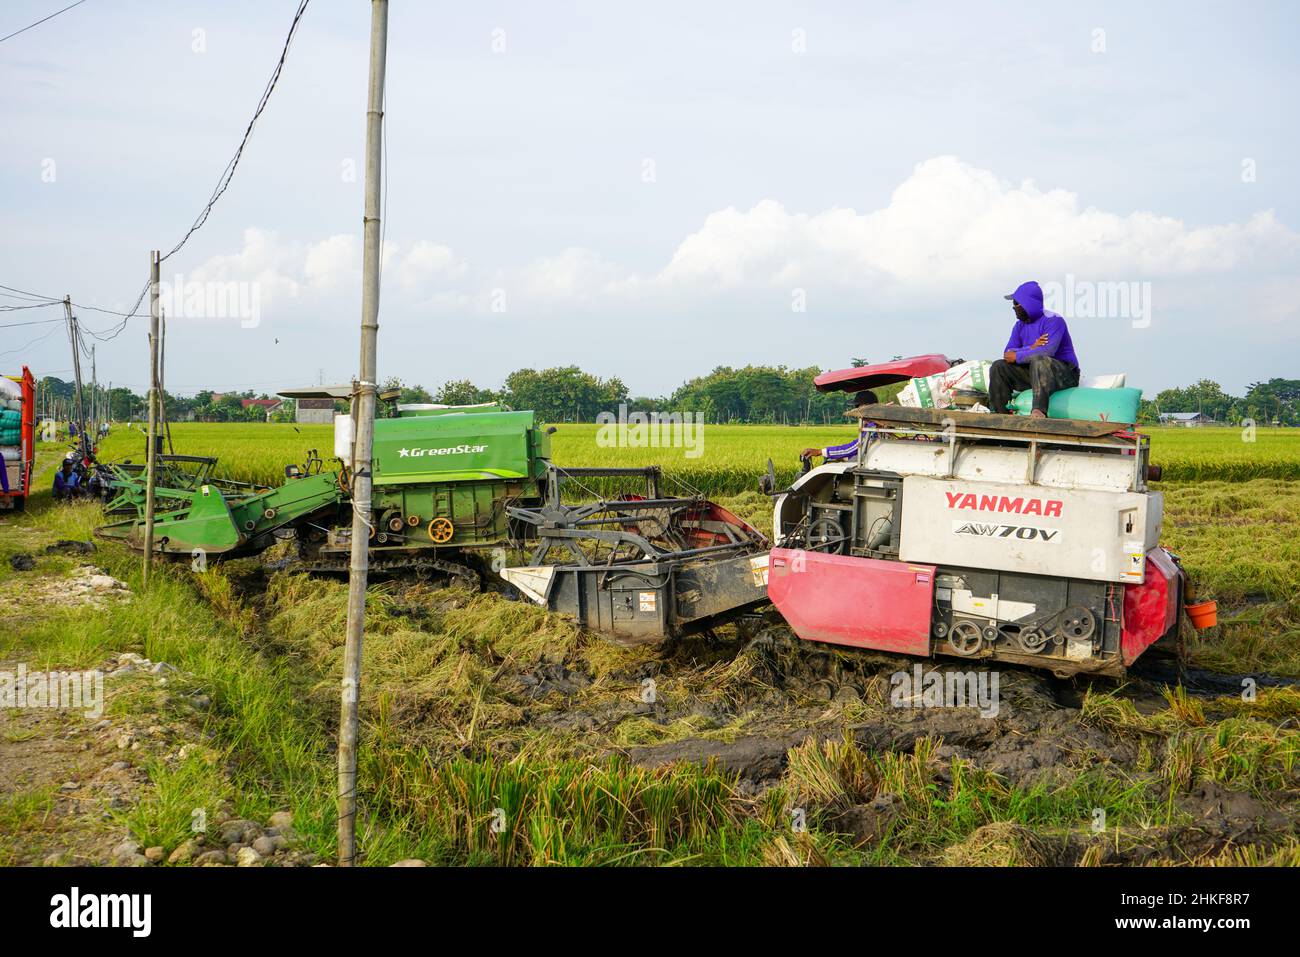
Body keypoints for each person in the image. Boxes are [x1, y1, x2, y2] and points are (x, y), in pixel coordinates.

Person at [989, 280, 1080, 418]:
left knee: (1040, 360)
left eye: (1016, 303)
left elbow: (1047, 351)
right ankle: (999, 415)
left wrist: (1019, 355)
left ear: (1028, 303)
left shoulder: (1053, 320)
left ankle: (1039, 411)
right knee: (998, 366)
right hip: (1035, 373)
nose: (1013, 307)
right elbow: (1008, 355)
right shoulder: (1019, 326)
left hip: (1064, 374)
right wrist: (1032, 347)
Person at [802, 390, 878, 463]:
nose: (857, 410)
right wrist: (844, 457)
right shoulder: (872, 426)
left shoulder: (873, 427)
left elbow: (853, 448)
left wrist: (820, 452)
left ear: (868, 407)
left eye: (858, 406)